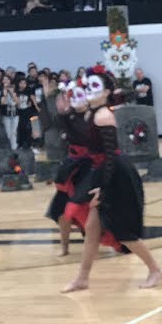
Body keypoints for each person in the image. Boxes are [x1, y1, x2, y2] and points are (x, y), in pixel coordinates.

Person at [63, 67, 162, 293]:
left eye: (95, 87)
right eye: (88, 86)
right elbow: (81, 140)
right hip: (103, 171)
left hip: (116, 175)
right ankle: (82, 278)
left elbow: (110, 156)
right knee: (92, 229)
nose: (89, 90)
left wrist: (103, 188)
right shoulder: (92, 113)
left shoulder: (103, 116)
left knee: (122, 231)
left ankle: (155, 270)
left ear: (107, 92)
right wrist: (66, 113)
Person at [45, 82, 91, 258]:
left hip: (89, 169)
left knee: (90, 210)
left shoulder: (90, 116)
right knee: (61, 211)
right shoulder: (67, 117)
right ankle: (65, 248)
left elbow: (82, 136)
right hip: (70, 169)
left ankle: (92, 241)